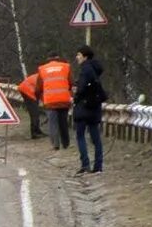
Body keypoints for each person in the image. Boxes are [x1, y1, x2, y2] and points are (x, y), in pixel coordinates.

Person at [72, 45, 106, 174]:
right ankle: (98, 166)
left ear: (85, 56)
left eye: (79, 55)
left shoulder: (85, 69)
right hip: (95, 107)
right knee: (95, 137)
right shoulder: (95, 69)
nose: (77, 57)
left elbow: (82, 89)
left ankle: (85, 164)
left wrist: (76, 93)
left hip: (83, 107)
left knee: (80, 135)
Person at [35, 52, 73, 150]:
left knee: (53, 123)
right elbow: (70, 83)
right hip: (64, 99)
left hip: (50, 101)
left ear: (48, 59)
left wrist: (39, 97)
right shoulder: (66, 66)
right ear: (58, 58)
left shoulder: (42, 69)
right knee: (63, 122)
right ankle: (66, 144)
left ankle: (55, 144)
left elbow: (38, 87)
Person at [17, 72, 44, 139]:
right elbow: (42, 92)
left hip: (26, 89)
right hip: (28, 90)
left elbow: (40, 92)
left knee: (35, 111)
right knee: (34, 112)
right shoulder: (44, 79)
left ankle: (37, 130)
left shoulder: (43, 76)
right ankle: (34, 133)